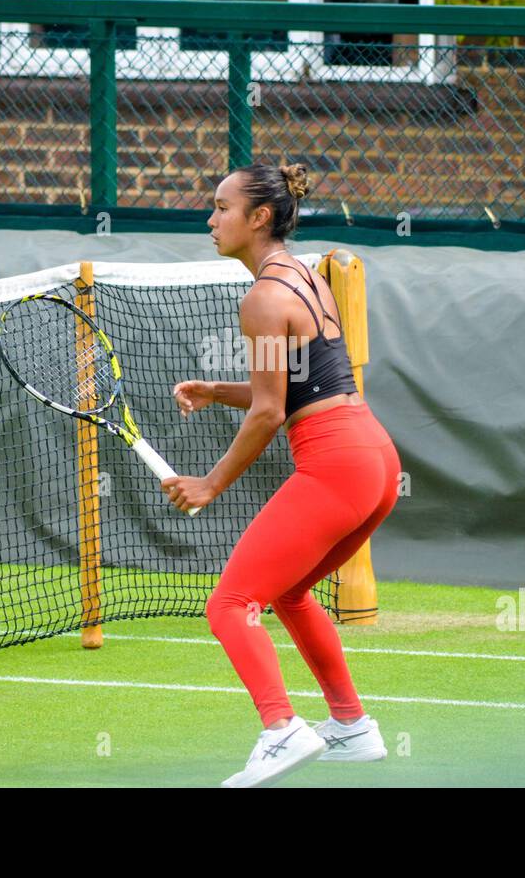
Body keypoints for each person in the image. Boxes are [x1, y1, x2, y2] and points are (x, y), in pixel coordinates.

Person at [161, 162, 402, 788]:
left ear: (258, 217)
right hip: (375, 458)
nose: (210, 220)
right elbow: (300, 386)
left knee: (230, 603)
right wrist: (218, 389)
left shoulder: (262, 298)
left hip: (336, 464)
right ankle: (351, 726)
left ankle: (281, 729)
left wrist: (210, 483)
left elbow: (272, 411)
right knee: (290, 594)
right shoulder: (302, 276)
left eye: (221, 208)